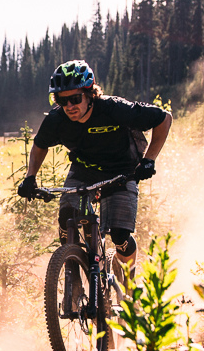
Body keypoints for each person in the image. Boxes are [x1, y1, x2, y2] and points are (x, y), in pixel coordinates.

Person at [16, 60, 171, 276]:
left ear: (90, 94)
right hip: (83, 171)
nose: (69, 106)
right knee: (67, 216)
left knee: (119, 235)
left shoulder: (114, 109)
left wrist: (149, 160)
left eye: (75, 98)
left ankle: (127, 281)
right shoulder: (57, 119)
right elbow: (40, 145)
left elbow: (164, 119)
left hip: (122, 172)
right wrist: (30, 177)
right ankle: (73, 271)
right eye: (62, 100)